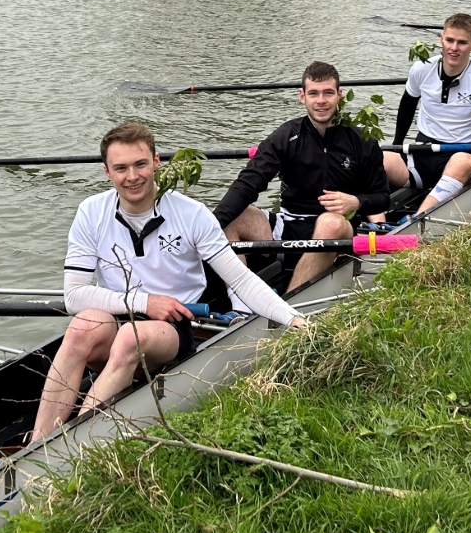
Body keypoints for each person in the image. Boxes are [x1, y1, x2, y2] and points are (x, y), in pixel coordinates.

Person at [32, 121, 305, 440]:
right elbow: (74, 296)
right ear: (107, 172)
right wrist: (146, 302)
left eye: (140, 164)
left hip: (178, 327)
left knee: (130, 339)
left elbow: (242, 281)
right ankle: (39, 442)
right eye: (121, 168)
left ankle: (76, 449)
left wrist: (293, 318)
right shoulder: (91, 213)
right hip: (121, 317)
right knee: (81, 327)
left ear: (156, 162)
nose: (132, 177)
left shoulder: (191, 214)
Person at [214, 61, 390, 291]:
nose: (321, 101)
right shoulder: (285, 136)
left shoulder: (361, 140)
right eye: (313, 93)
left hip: (338, 231)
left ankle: (287, 309)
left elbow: (383, 197)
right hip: (289, 225)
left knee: (329, 223)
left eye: (328, 93)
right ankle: (241, 306)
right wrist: (211, 224)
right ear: (302, 96)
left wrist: (355, 201)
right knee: (235, 215)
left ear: (339, 95)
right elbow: (248, 183)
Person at [382, 13, 471, 216]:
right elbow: (407, 106)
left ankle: (413, 224)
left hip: (462, 156)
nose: (454, 48)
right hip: (422, 154)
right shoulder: (422, 68)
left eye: (462, 43)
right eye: (449, 40)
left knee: (463, 162)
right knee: (377, 159)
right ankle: (376, 222)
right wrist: (397, 144)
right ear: (441, 38)